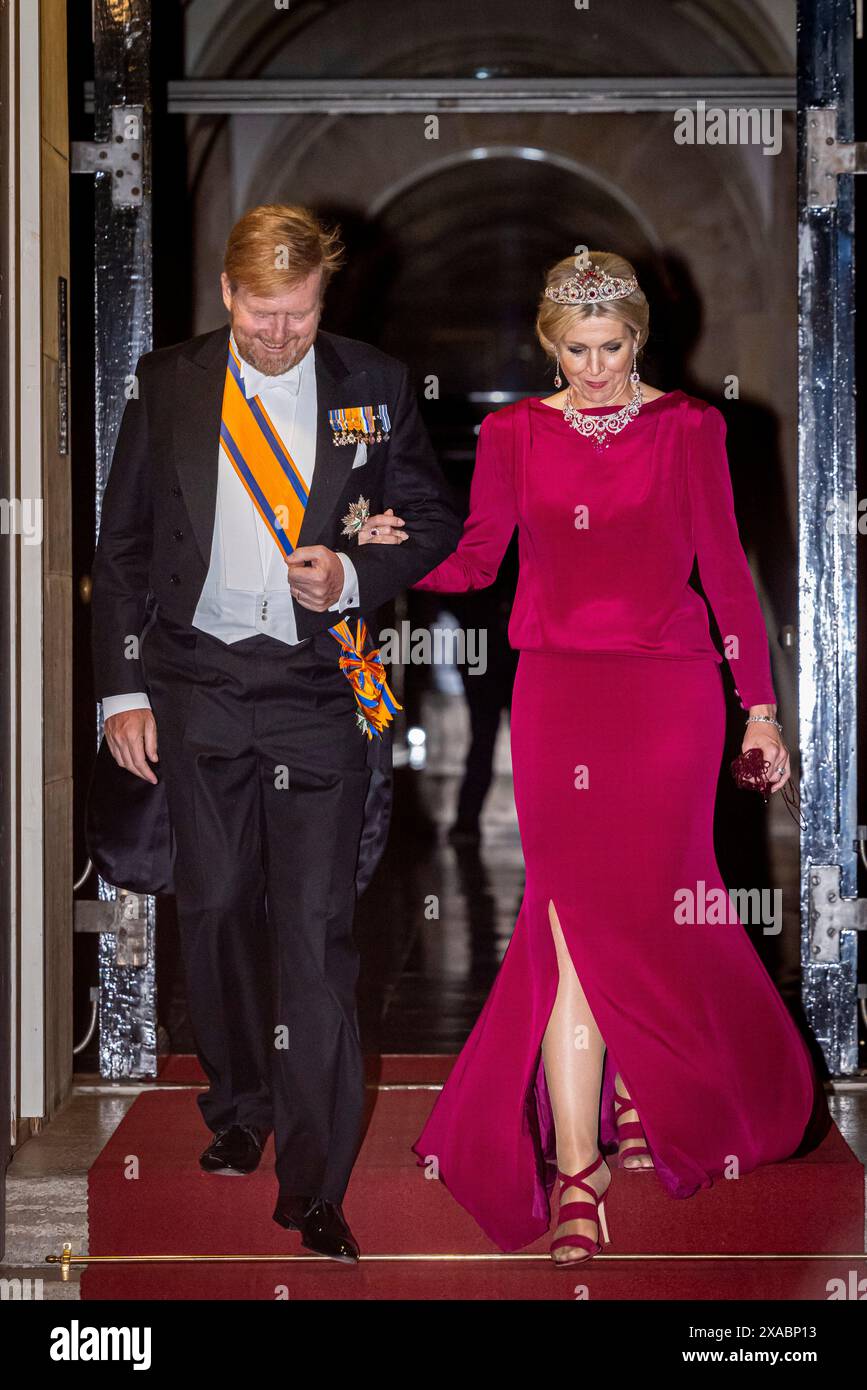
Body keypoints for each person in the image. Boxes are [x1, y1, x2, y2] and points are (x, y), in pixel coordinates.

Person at [406, 250, 830, 1264]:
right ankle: (579, 1166)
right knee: (568, 920)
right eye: (576, 350)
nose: (597, 370)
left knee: (654, 903)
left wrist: (759, 711)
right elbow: (475, 558)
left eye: (615, 347)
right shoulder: (515, 432)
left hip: (670, 696)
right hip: (560, 693)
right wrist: (383, 552)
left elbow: (728, 571)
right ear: (549, 345)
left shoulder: (693, 427)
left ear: (640, 338)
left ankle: (646, 1083)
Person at [90, 203, 462, 1264]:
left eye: (297, 316)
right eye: (261, 315)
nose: (278, 336)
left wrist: (354, 571)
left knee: (316, 935)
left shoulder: (374, 385)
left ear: (322, 300)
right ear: (226, 292)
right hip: (196, 682)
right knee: (211, 910)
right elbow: (120, 551)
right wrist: (122, 694)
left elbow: (432, 520)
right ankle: (240, 1098)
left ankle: (313, 1182)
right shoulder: (167, 384)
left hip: (315, 687)